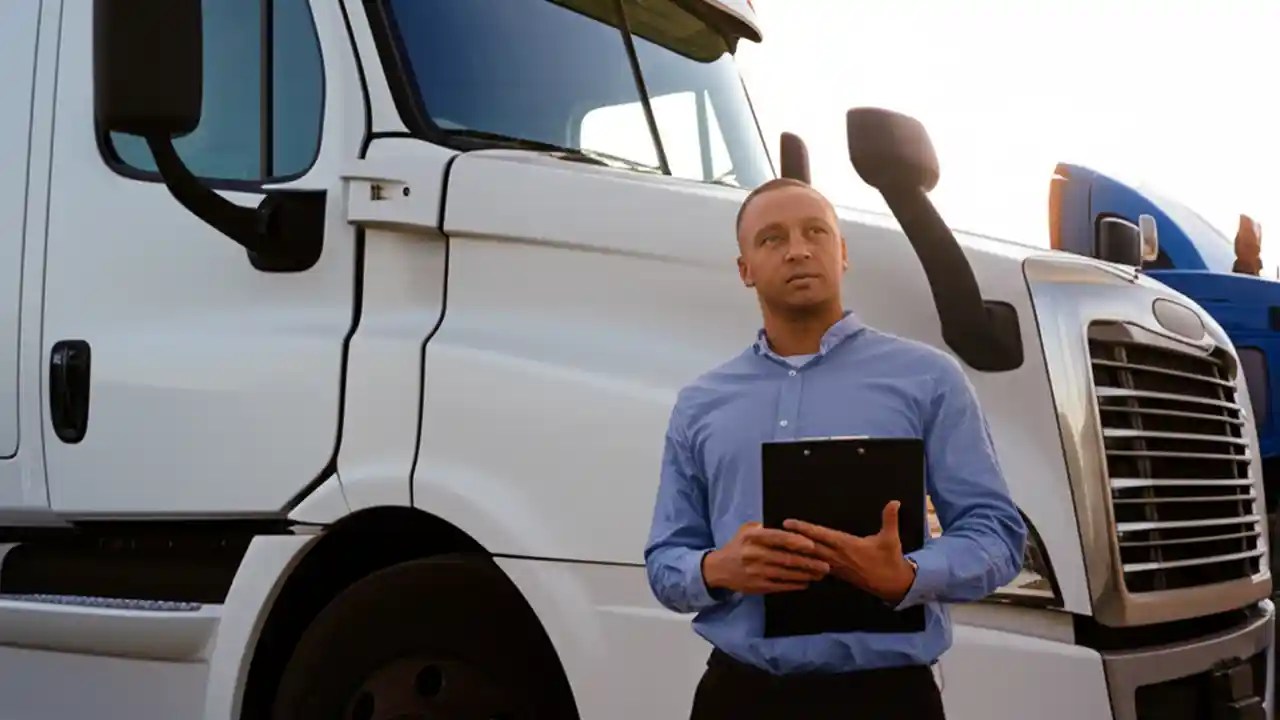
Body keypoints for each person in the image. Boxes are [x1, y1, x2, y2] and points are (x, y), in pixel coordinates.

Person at [643, 177, 1028, 719]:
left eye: (815, 231)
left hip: (887, 700)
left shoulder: (929, 379)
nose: (798, 248)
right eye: (772, 238)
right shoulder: (701, 403)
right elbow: (665, 560)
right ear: (745, 269)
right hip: (738, 698)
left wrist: (909, 575)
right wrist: (718, 568)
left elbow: (997, 534)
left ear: (842, 252)